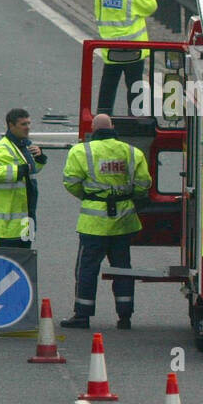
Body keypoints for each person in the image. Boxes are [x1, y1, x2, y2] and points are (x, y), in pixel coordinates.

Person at [60, 114, 152, 330]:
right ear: (112, 127)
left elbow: (71, 182)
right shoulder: (132, 152)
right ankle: (125, 316)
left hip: (93, 223)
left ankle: (82, 315)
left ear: (93, 128)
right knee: (122, 268)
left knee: (87, 269)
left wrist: (89, 196)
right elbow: (143, 184)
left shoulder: (81, 151)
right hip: (124, 221)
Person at [95, 0, 158, 116]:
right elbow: (151, 7)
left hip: (110, 48)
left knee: (108, 86)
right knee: (135, 87)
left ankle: (103, 117)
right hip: (133, 49)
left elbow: (99, 12)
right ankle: (135, 120)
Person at [0, 108, 47, 249]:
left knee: (22, 261)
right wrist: (19, 170)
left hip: (25, 219)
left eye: (28, 123)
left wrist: (39, 159)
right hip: (7, 226)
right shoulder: (1, 149)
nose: (27, 128)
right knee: (6, 262)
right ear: (11, 125)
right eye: (23, 124)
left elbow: (30, 171)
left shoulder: (24, 145)